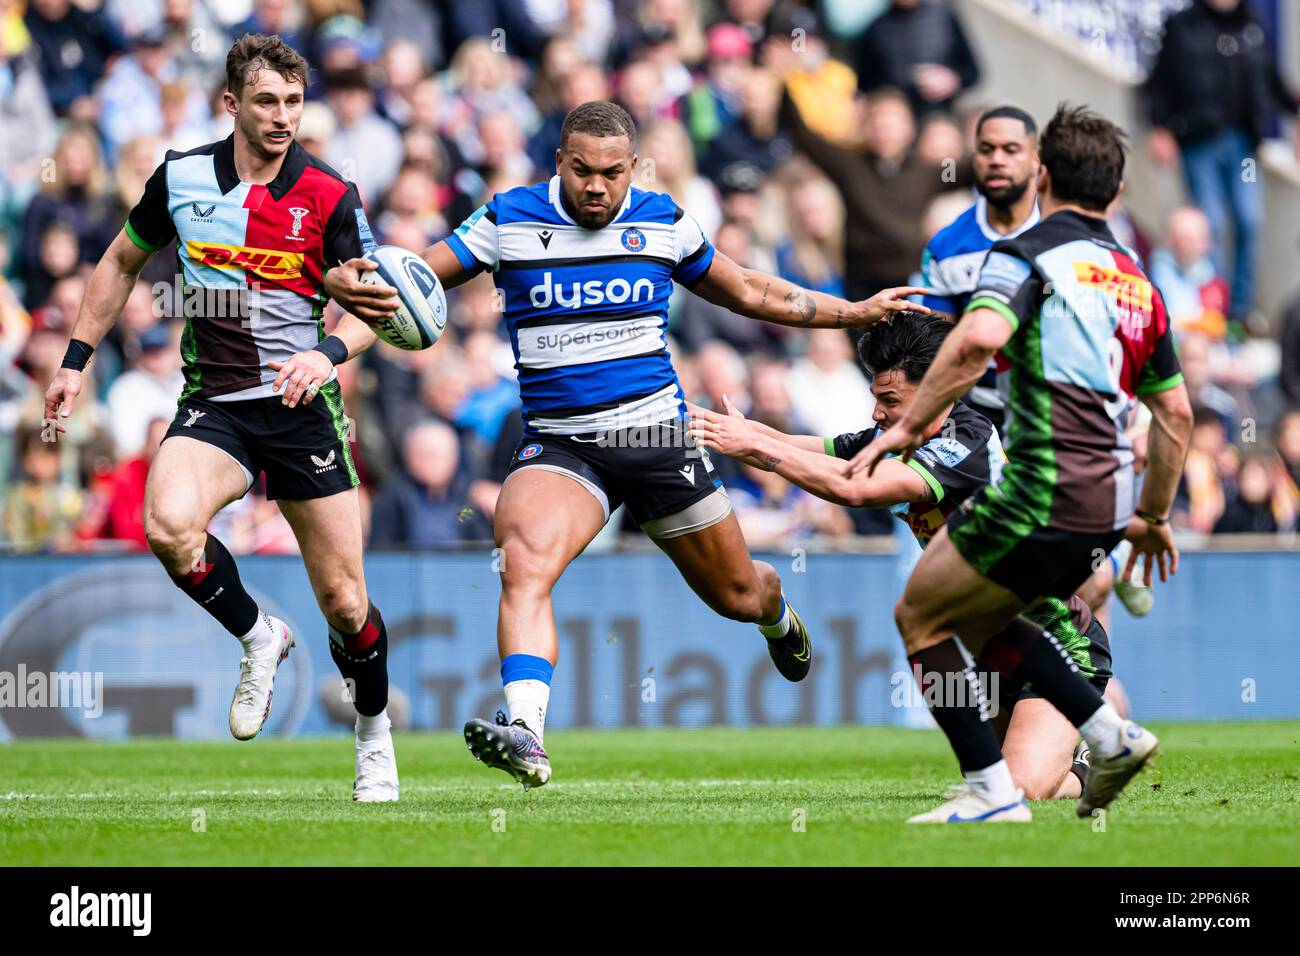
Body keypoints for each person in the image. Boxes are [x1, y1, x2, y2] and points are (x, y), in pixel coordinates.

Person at [325, 100, 926, 788]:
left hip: (660, 439)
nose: (596, 186)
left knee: (736, 594)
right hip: (562, 445)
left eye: (612, 173)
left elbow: (750, 289)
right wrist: (332, 342)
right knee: (522, 560)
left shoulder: (663, 219)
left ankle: (775, 612)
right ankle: (526, 729)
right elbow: (399, 291)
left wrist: (852, 311)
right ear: (559, 161)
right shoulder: (508, 219)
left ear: (633, 168)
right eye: (582, 170)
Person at [42, 34, 409, 803]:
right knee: (169, 526)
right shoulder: (180, 179)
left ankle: (374, 737)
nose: (283, 117)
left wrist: (329, 352)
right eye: (268, 101)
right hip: (217, 402)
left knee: (345, 603)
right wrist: (75, 361)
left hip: (304, 407)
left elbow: (379, 305)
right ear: (231, 103)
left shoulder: (330, 193)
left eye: (295, 102)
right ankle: (257, 636)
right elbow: (117, 262)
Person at [847, 105, 1194, 823]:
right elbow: (1178, 416)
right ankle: (1105, 730)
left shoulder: (1026, 254)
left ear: (1042, 174)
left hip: (1040, 485)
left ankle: (994, 794)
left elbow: (973, 343)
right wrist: (1154, 516)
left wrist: (903, 427)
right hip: (1111, 498)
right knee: (992, 612)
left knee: (920, 613)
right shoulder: (1137, 281)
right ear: (1118, 187)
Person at [690, 314, 1113, 800]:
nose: (876, 414)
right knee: (990, 781)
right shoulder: (895, 437)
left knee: (1016, 792)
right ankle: (1075, 755)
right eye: (876, 398)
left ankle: (1088, 766)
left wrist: (757, 448)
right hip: (992, 646)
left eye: (889, 400)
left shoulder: (965, 440)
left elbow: (855, 486)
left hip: (1057, 640)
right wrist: (748, 435)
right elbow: (819, 450)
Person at [920, 105, 1039, 431]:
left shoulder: (1067, 238)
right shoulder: (945, 248)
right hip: (979, 416)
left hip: (1059, 412)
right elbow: (939, 349)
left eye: (1011, 150)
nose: (997, 159)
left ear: (1036, 159)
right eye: (986, 149)